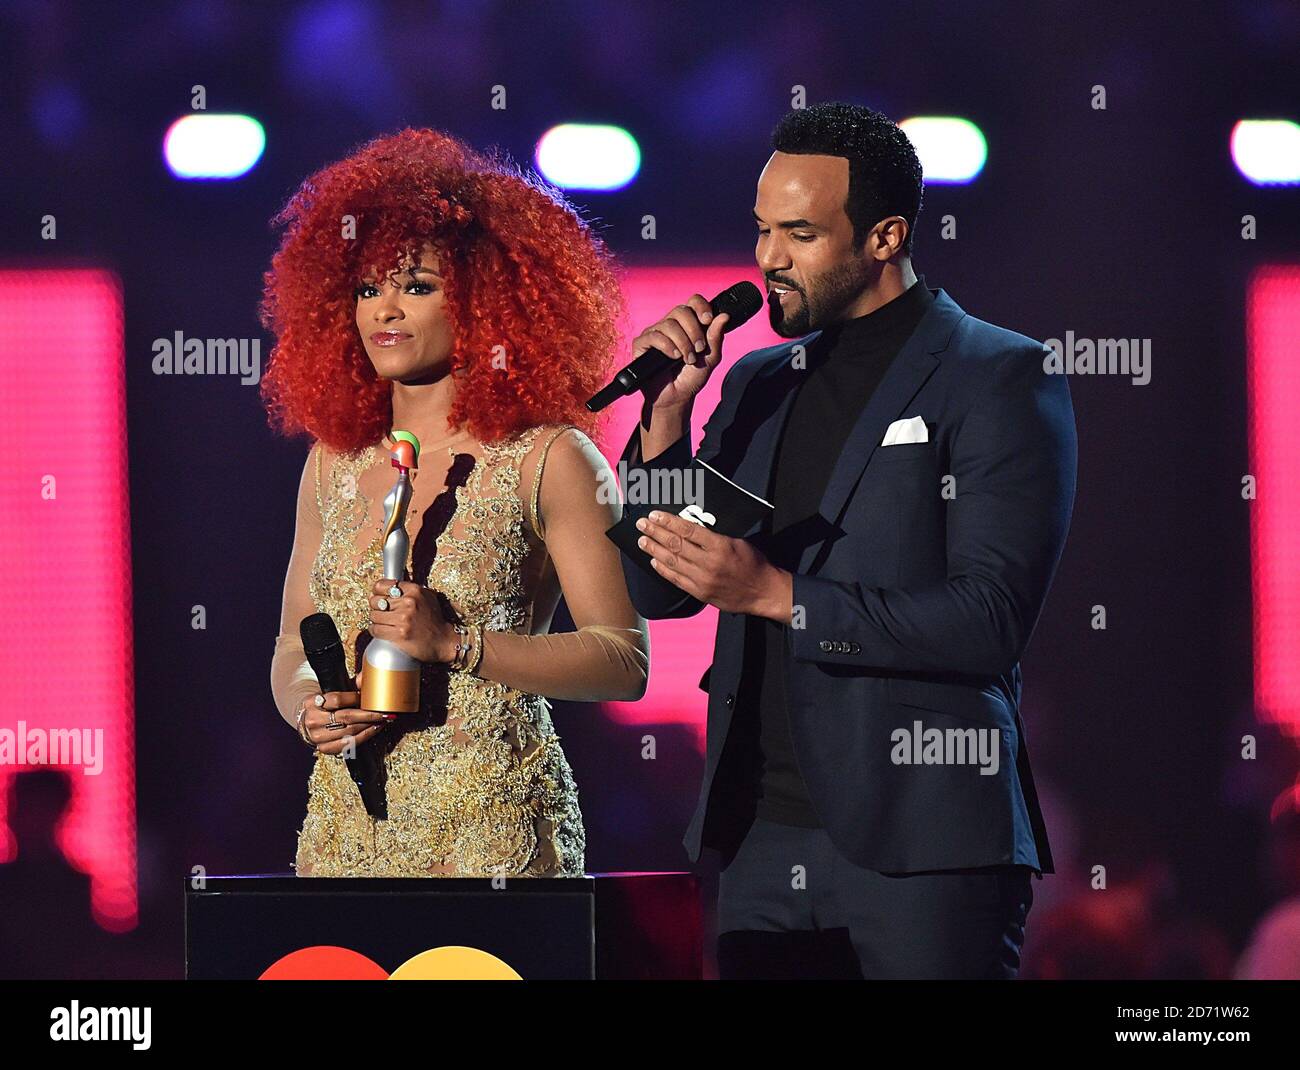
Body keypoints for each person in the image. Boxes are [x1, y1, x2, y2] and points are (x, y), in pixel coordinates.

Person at [615, 102, 1077, 977]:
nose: (767, 260)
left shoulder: (999, 374)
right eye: (760, 230)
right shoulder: (755, 382)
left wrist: (778, 594)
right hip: (757, 837)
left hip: (922, 844)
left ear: (883, 237)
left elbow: (988, 620)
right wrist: (667, 423)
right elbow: (661, 592)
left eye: (798, 233)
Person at [262, 128, 649, 878]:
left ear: (483, 297)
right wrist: (310, 706)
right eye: (367, 289)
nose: (386, 311)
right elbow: (290, 644)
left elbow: (622, 660)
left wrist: (458, 646)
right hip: (347, 839)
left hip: (489, 838)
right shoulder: (330, 465)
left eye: (416, 286)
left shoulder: (550, 458)